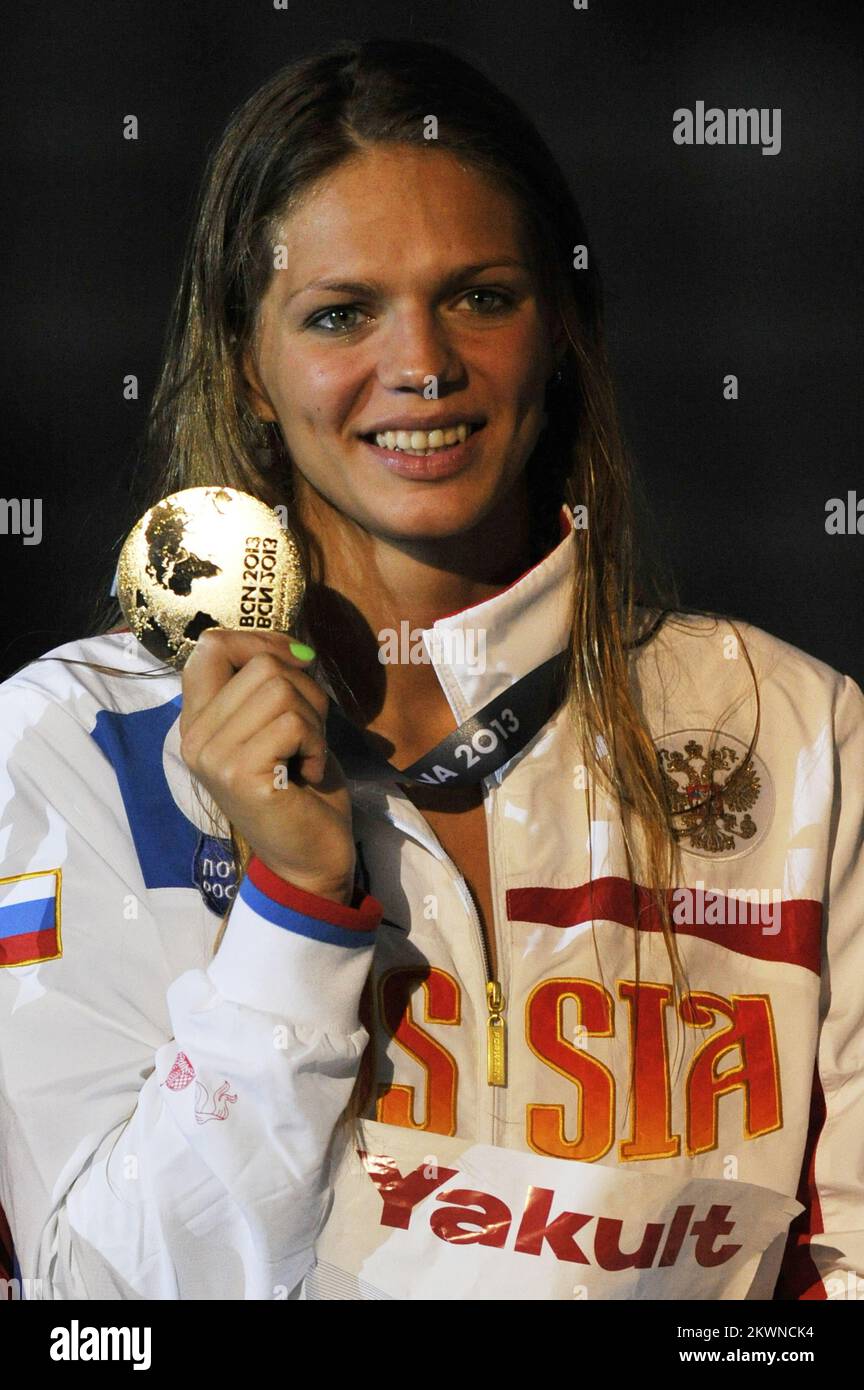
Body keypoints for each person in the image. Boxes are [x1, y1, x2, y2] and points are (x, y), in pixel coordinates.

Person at [0, 38, 861, 1302]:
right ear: (247, 365)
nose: (422, 364)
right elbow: (98, 1306)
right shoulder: (68, 741)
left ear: (559, 329)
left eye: (480, 297)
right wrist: (294, 909)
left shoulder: (792, 728)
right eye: (340, 313)